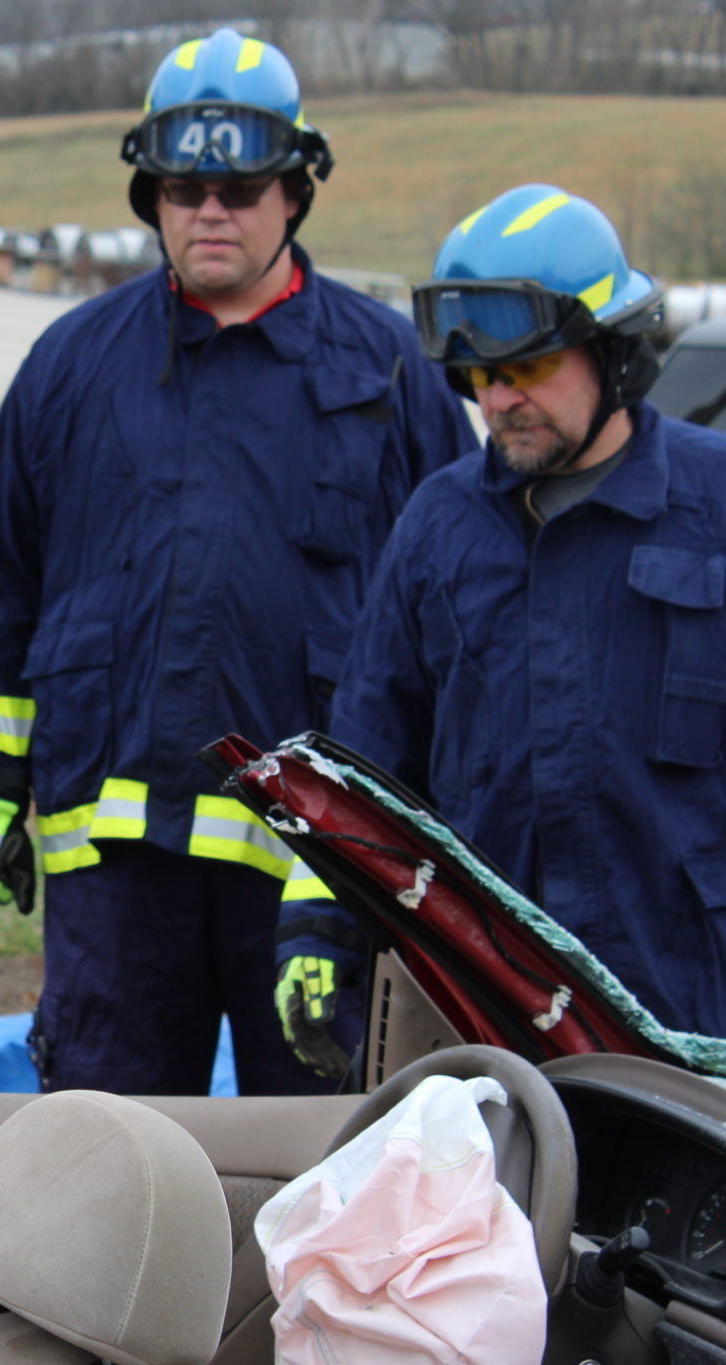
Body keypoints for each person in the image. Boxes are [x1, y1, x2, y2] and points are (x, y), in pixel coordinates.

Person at [0, 27, 475, 1097]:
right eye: (183, 187)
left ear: (292, 194)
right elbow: (3, 579)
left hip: (311, 871)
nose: (209, 210)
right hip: (114, 864)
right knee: (108, 1156)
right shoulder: (70, 367)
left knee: (319, 1151)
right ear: (151, 199)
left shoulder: (386, 375)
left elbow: (451, 620)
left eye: (239, 185)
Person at [274, 184, 726, 1073]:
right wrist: (317, 933)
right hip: (492, 1019)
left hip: (694, 1012)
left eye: (526, 367)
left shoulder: (714, 505)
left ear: (615, 352)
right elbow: (366, 763)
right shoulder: (438, 526)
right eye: (480, 376)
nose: (499, 398)